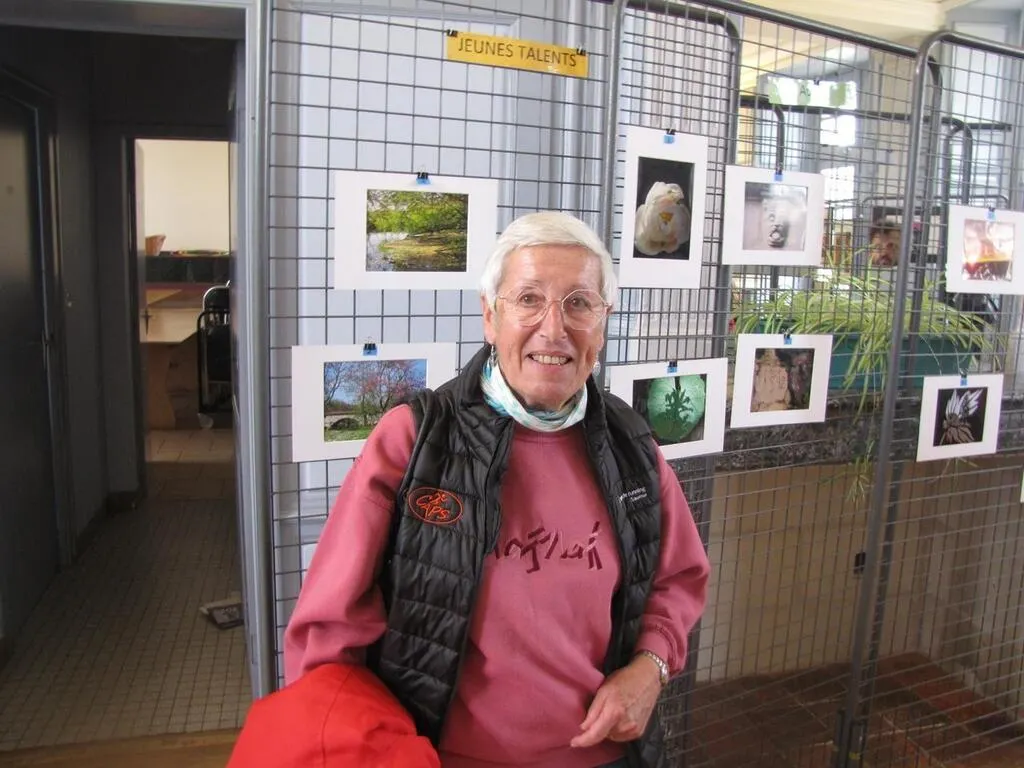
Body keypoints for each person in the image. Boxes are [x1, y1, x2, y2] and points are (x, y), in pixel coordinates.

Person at [284, 211, 711, 768]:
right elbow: (329, 634)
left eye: (580, 303)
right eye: (529, 299)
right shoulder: (415, 441)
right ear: (490, 317)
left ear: (602, 326)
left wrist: (651, 667)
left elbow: (677, 580)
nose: (554, 329)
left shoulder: (632, 448)